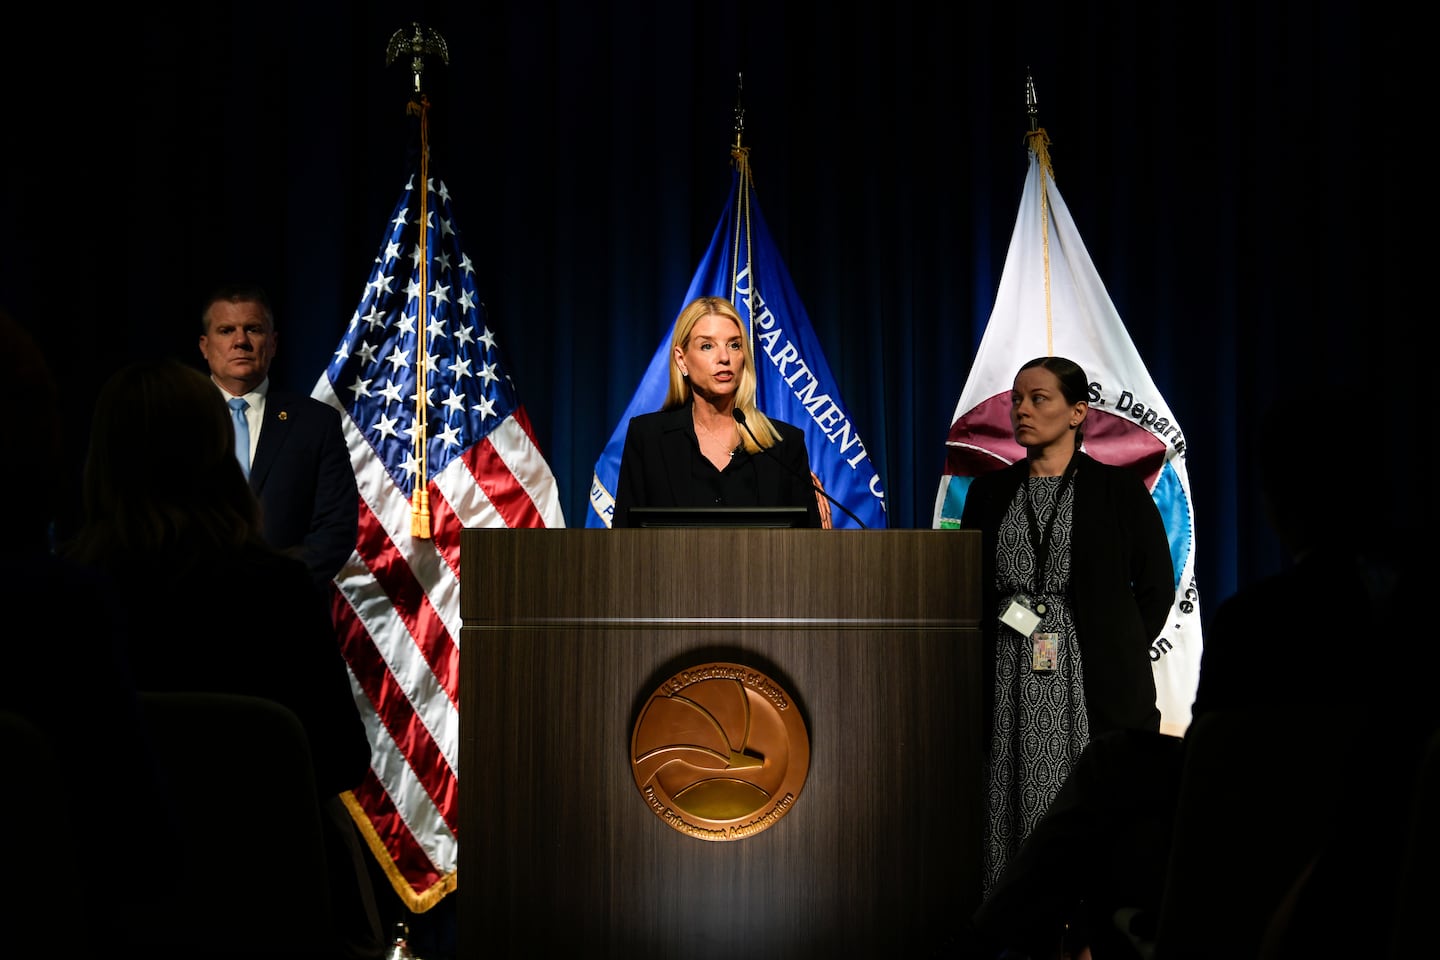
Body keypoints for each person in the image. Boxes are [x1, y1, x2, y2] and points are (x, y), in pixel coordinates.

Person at [63, 357, 382, 960]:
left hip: (105, 909)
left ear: (101, 461)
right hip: (270, 903)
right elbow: (341, 759)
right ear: (217, 457)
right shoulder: (278, 591)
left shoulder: (62, 599)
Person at [959, 355, 1174, 906]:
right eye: (1016, 400)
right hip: (1008, 681)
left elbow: (1155, 588)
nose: (1022, 410)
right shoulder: (988, 494)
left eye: (1039, 399)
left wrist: (1114, 644)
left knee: (1099, 813)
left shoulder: (1119, 491)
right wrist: (1021, 627)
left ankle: (1086, 934)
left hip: (1095, 685)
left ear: (1078, 413)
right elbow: (972, 589)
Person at [610, 295, 823, 528]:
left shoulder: (783, 445)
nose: (724, 358)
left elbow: (805, 548)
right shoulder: (648, 438)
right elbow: (625, 543)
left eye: (734, 345)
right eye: (707, 346)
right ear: (682, 360)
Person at [199, 283, 358, 589]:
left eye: (253, 329)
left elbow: (336, 530)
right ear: (205, 346)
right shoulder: (176, 418)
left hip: (287, 615)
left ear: (272, 343)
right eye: (226, 330)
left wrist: (271, 587)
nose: (241, 341)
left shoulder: (315, 423)